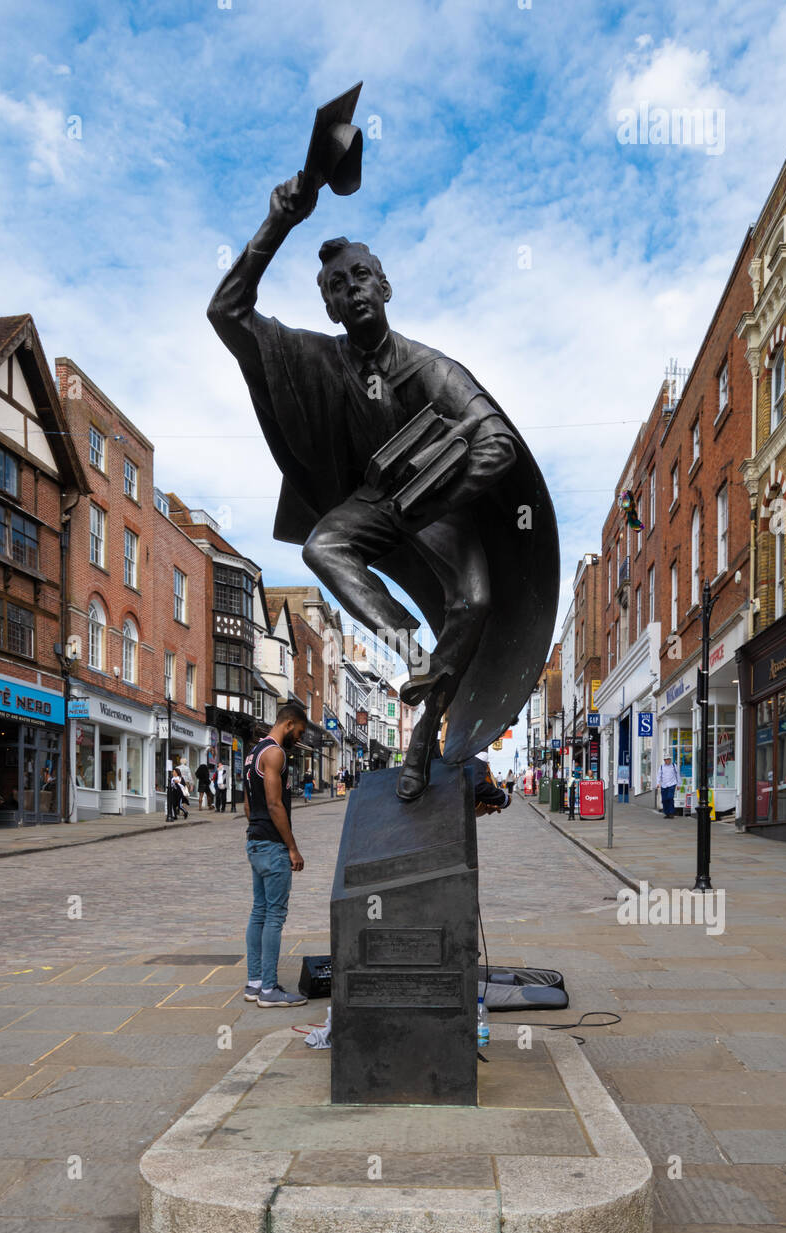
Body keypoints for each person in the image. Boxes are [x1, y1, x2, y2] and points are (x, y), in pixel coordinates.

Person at [207, 171, 557, 802]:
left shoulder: (429, 367)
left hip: (440, 506)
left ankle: (424, 738)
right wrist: (279, 222)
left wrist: (431, 500)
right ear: (330, 308)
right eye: (338, 287)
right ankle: (411, 651)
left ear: (385, 285)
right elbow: (225, 311)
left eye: (362, 277)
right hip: (377, 502)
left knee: (473, 601)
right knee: (323, 546)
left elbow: (498, 442)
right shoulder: (319, 358)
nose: (353, 290)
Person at [242, 704, 308, 1008]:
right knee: (274, 916)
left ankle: (254, 983)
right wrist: (291, 847)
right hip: (272, 845)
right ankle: (269, 988)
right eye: (299, 732)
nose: (298, 737)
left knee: (259, 911)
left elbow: (247, 803)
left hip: (255, 841)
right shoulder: (275, 754)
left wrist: (257, 830)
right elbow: (274, 804)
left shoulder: (252, 754)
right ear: (289, 723)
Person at [657, 754, 679, 818]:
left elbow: (677, 775)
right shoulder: (661, 767)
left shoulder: (674, 766)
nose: (668, 761)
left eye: (669, 759)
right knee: (664, 800)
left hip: (672, 784)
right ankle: (667, 813)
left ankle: (672, 813)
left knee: (670, 797)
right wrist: (658, 783)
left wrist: (679, 784)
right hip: (664, 785)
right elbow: (659, 776)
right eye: (666, 759)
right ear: (664, 760)